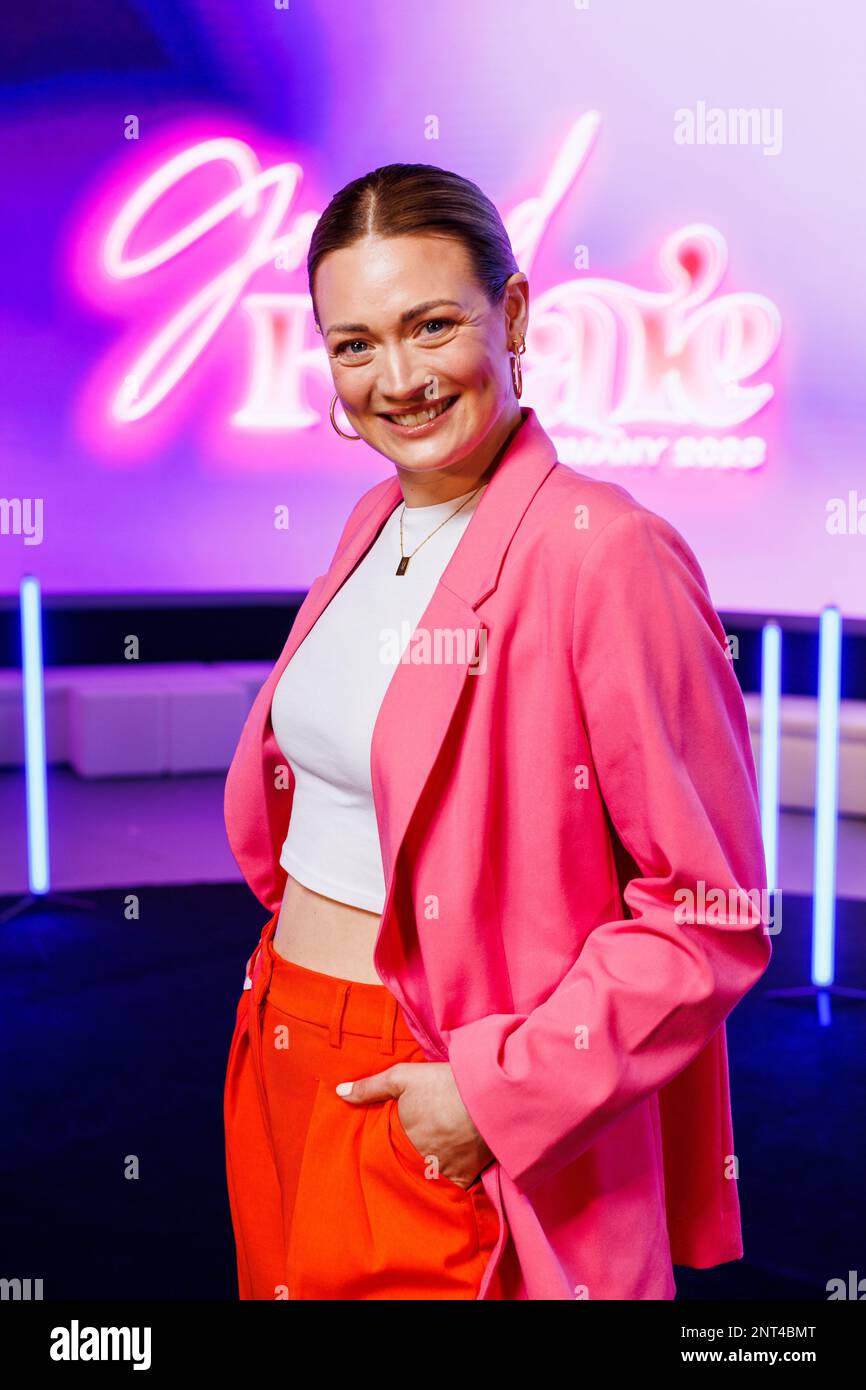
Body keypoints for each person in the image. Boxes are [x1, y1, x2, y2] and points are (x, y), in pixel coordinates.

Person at [223, 162, 772, 1301]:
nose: (398, 379)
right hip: (282, 1044)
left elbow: (709, 913)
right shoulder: (376, 517)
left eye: (431, 326)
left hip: (438, 1077)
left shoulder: (602, 552)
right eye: (354, 344)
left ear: (513, 315)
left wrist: (489, 1093)